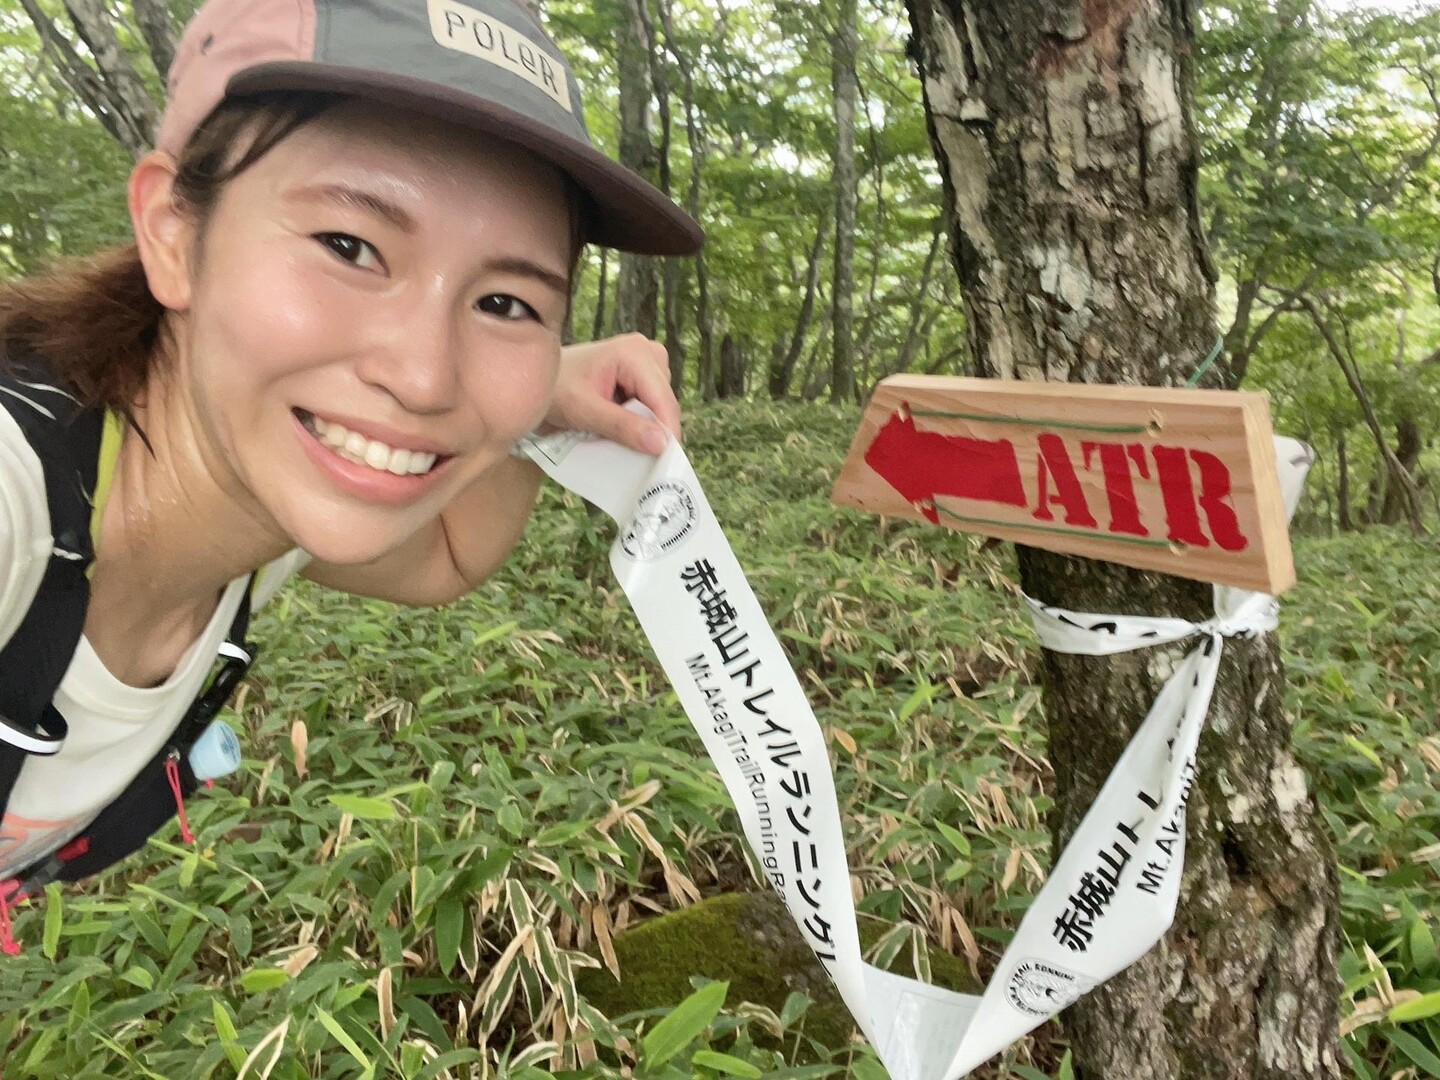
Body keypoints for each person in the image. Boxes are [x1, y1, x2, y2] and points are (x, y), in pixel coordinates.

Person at [0, 0, 702, 945]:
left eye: (506, 302)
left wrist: (543, 397)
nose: (424, 379)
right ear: (172, 231)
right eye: (349, 247)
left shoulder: (252, 502)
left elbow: (446, 554)